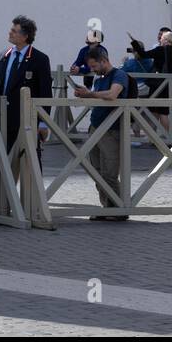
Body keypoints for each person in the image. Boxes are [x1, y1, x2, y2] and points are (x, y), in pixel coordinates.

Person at [71, 45, 131, 221]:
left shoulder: (119, 75)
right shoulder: (99, 78)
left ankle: (119, 209)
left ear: (104, 60)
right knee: (96, 171)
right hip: (95, 127)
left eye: (94, 66)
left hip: (112, 129)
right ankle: (107, 208)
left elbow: (113, 94)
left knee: (109, 173)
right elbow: (97, 96)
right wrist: (86, 94)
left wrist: (90, 94)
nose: (93, 70)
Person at [0, 15, 52, 169]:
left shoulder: (40, 59)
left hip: (27, 120)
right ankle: (3, 193)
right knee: (1, 161)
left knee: (31, 162)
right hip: (4, 118)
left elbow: (45, 92)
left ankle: (35, 193)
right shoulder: (4, 56)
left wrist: (43, 122)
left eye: (14, 31)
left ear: (25, 36)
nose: (10, 33)